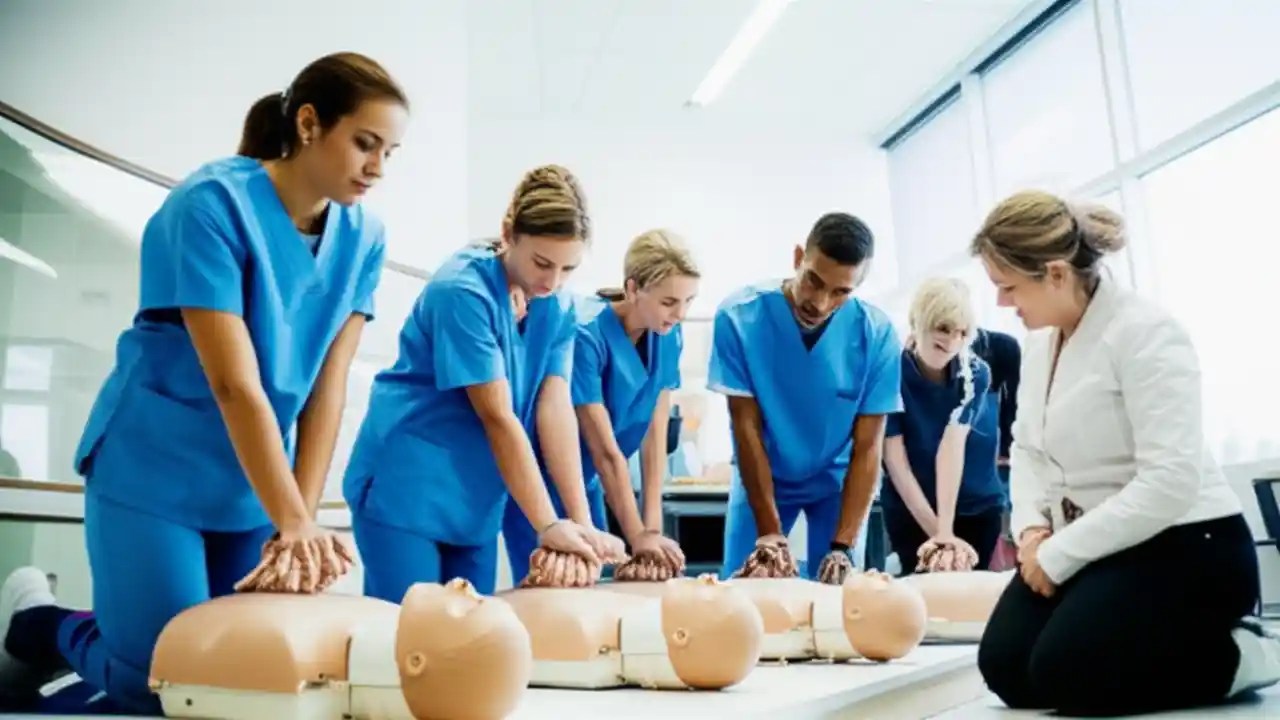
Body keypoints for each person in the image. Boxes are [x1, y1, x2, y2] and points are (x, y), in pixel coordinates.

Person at [0, 52, 410, 714]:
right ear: (309, 124)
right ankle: (40, 623)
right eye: (365, 143)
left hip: (250, 482)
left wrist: (295, 525)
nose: (378, 168)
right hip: (152, 468)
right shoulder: (210, 204)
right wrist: (292, 518)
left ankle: (77, 666)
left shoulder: (365, 236)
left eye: (391, 151)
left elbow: (326, 389)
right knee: (159, 678)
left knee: (233, 679)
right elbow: (234, 384)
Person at [973, 190, 1280, 716]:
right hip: (1097, 545)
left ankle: (1247, 654)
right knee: (1006, 667)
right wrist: (1031, 531)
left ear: (1054, 274)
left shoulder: (1146, 332)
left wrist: (1059, 555)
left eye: (1007, 287)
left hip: (1189, 543)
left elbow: (1170, 481)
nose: (1002, 303)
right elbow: (1026, 448)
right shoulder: (1040, 343)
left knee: (1067, 673)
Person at [343, 164, 624, 602]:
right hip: (408, 486)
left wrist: (581, 521)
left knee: (471, 643)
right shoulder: (462, 290)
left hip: (475, 501)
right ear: (508, 233)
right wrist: (548, 525)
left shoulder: (558, 305)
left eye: (568, 268)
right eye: (541, 263)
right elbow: (497, 416)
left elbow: (554, 408)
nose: (552, 281)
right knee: (408, 638)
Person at [709, 212, 902, 582]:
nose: (821, 302)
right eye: (814, 281)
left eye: (841, 292)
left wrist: (843, 546)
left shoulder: (876, 335)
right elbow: (744, 427)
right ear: (799, 258)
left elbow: (868, 446)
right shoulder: (740, 317)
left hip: (838, 484)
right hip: (764, 477)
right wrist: (769, 532)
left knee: (837, 598)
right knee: (744, 590)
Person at [502, 229, 699, 580]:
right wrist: (635, 534)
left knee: (596, 589)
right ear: (634, 288)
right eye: (669, 302)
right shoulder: (587, 334)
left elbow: (656, 435)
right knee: (553, 590)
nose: (680, 313)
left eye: (688, 301)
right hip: (545, 480)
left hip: (589, 481)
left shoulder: (668, 333)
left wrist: (650, 528)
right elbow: (604, 449)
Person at [882, 278, 1006, 574]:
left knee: (968, 602)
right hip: (911, 510)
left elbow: (951, 448)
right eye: (942, 328)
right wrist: (940, 535)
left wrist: (946, 533)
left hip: (977, 507)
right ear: (918, 322)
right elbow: (895, 460)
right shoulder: (889, 373)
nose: (951, 340)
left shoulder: (975, 373)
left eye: (961, 332)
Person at [969, 326, 1019, 486]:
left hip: (998, 353)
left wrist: (1006, 448)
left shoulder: (1005, 346)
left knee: (1010, 399)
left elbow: (1013, 399)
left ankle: (1004, 451)